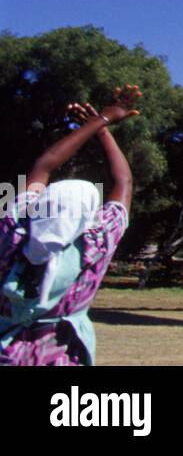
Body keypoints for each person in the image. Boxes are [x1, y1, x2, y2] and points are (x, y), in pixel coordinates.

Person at [1, 86, 140, 366]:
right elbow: (123, 182)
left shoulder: (10, 232)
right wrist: (103, 128)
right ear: (87, 217)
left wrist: (100, 120)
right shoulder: (94, 246)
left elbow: (44, 165)